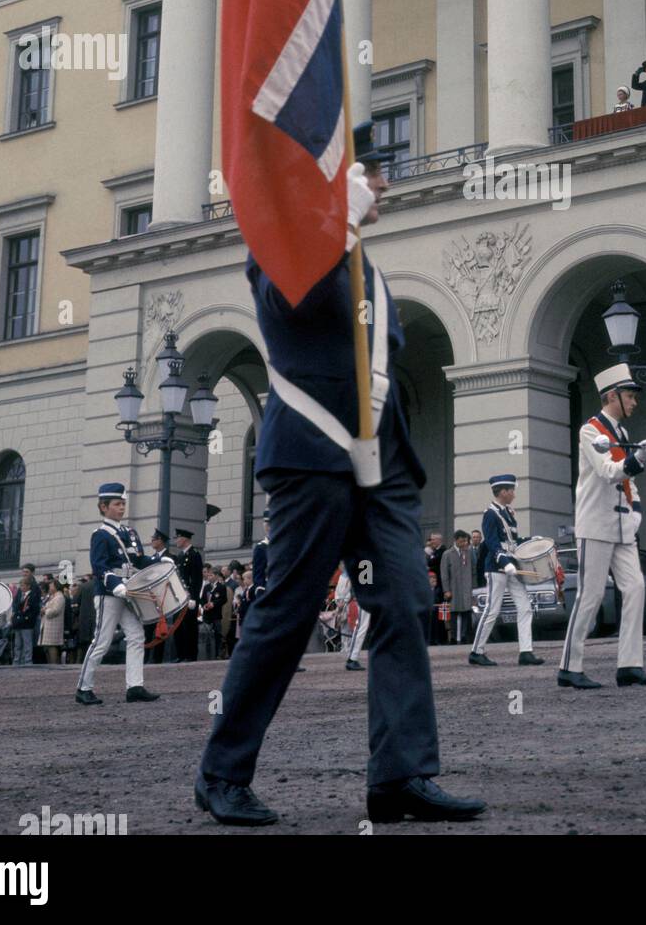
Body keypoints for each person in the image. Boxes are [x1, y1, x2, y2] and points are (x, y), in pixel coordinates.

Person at [196, 125, 484, 827]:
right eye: (374, 172)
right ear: (336, 179)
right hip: (312, 453)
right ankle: (222, 773)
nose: (385, 183)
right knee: (288, 612)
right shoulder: (288, 244)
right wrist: (326, 225)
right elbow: (284, 301)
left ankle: (399, 775)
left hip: (379, 465)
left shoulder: (368, 266)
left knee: (407, 603)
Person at [558, 365, 646, 689]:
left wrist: (638, 511)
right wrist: (640, 459)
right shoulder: (590, 430)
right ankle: (569, 667)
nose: (634, 403)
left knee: (636, 588)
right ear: (612, 396)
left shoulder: (623, 434)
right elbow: (608, 471)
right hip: (596, 524)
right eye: (630, 396)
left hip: (622, 525)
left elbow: (628, 482)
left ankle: (629, 665)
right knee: (589, 597)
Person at [74, 482, 161, 706]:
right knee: (101, 641)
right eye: (117, 504)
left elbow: (139, 560)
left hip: (128, 591)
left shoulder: (129, 533)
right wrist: (115, 585)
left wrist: (160, 560)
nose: (122, 508)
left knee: (136, 636)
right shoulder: (101, 535)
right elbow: (99, 567)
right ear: (103, 507)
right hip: (109, 593)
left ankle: (135, 686)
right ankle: (83, 688)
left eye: (123, 504)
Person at [469, 476, 543, 668]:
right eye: (511, 490)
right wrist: (503, 560)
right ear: (502, 492)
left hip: (511, 565)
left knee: (525, 606)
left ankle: (526, 652)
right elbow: (492, 542)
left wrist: (531, 540)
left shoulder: (509, 512)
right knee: (492, 610)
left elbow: (512, 540)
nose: (514, 494)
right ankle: (476, 652)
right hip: (497, 567)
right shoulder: (490, 514)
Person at [440, 531, 476, 646]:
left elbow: (473, 570)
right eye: (462, 541)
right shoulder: (447, 554)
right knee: (454, 613)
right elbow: (444, 574)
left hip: (466, 587)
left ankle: (465, 636)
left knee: (466, 611)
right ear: (455, 540)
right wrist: (446, 590)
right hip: (453, 587)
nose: (464, 543)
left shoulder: (469, 552)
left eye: (465, 541)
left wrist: (473, 588)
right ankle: (454, 637)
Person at [172, 530, 203, 661]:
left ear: (184, 539)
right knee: (178, 626)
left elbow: (197, 579)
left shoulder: (194, 555)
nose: (176, 541)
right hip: (180, 597)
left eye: (177, 538)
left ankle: (190, 655)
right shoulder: (180, 556)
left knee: (190, 626)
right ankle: (181, 654)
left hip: (190, 597)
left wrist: (194, 598)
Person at [12, 571, 40, 666]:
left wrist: (27, 617)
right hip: (18, 622)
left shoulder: (32, 596)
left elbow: (34, 609)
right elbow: (15, 605)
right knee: (18, 644)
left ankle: (27, 660)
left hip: (27, 622)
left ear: (28, 586)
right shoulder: (19, 594)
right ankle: (17, 661)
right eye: (21, 585)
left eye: (23, 585)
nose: (21, 587)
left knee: (27, 643)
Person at [200, 566, 227, 659]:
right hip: (207, 615)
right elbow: (202, 599)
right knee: (207, 635)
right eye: (208, 575)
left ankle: (218, 654)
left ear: (216, 576)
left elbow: (223, 599)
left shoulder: (221, 587)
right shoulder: (206, 587)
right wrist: (204, 605)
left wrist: (214, 604)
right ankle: (208, 654)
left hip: (216, 615)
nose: (209, 577)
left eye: (211, 575)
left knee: (217, 634)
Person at [39, 578, 66, 666]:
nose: (49, 587)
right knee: (47, 646)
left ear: (56, 586)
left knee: (52, 645)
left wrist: (45, 610)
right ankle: (50, 664)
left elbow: (55, 610)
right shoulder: (53, 597)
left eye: (51, 585)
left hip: (54, 624)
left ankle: (54, 664)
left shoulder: (59, 597)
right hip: (47, 624)